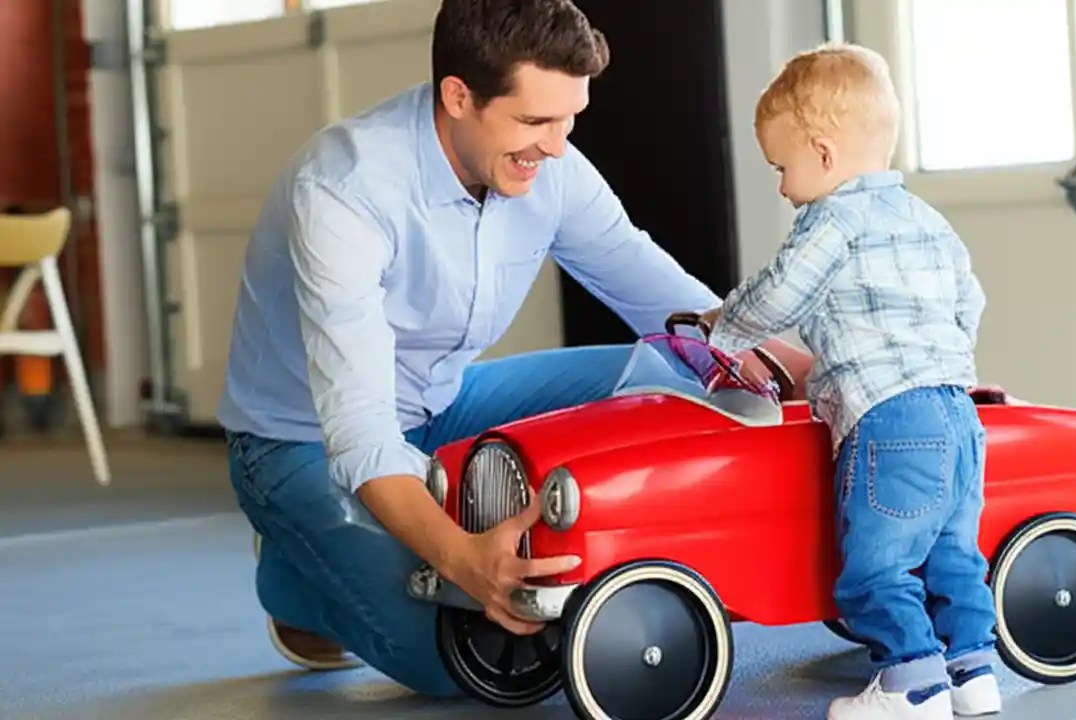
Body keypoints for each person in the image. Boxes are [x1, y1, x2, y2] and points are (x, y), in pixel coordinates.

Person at [216, 0, 811, 698]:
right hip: (301, 441)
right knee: (477, 662)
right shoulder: (345, 191)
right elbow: (360, 430)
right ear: (459, 97)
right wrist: (464, 560)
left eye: (569, 119)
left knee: (665, 377)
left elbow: (656, 292)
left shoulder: (548, 161)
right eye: (534, 122)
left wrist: (794, 363)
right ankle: (296, 572)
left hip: (442, 403)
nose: (556, 147)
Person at [701, 43, 1000, 720]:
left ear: (824, 154)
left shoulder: (829, 222)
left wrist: (726, 324)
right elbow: (970, 305)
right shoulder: (928, 220)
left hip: (888, 421)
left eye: (783, 167)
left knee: (877, 567)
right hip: (957, 414)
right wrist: (940, 359)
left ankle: (911, 686)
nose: (781, 186)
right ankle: (973, 673)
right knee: (953, 556)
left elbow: (781, 295)